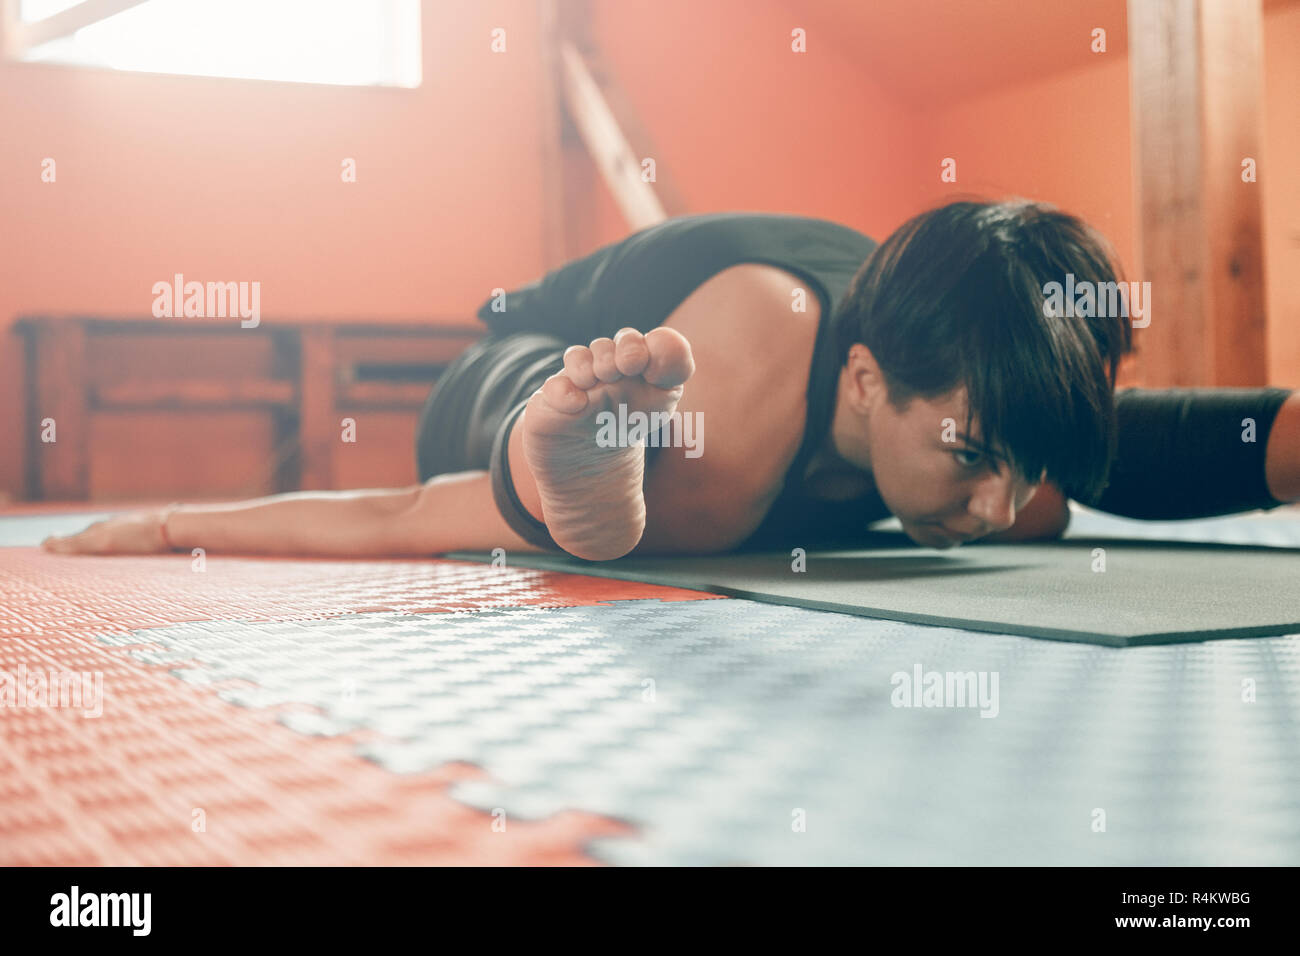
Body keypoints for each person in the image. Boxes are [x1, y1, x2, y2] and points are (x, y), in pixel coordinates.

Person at [41, 199, 1300, 560]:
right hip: (512, 368)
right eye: (975, 452)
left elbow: (1158, 440)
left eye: (1007, 456)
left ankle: (595, 472)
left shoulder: (977, 430)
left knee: (1059, 478)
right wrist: (168, 526)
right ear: (862, 380)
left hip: (696, 426)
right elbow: (407, 513)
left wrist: (1024, 458)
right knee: (636, 447)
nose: (998, 497)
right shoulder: (745, 392)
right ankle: (577, 466)